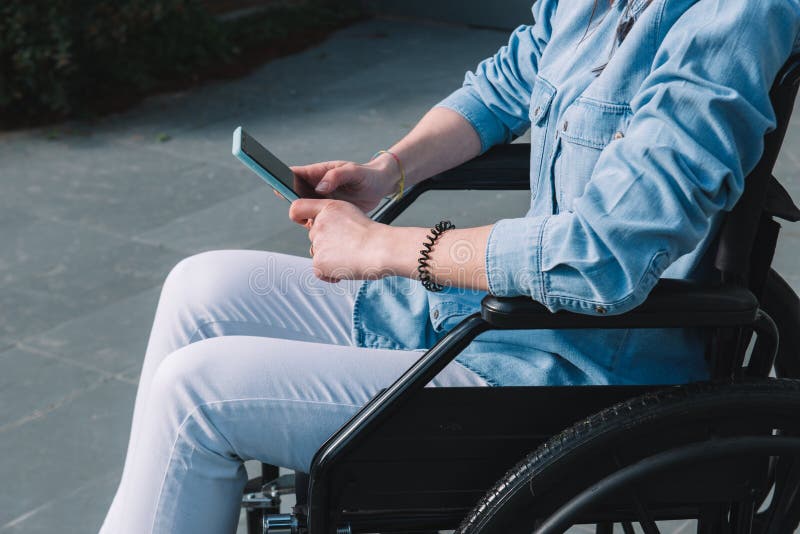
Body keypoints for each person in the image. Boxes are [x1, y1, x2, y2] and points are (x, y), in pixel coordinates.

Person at [100, 1, 800, 532]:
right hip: (500, 316)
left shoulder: (734, 18)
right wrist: (388, 173)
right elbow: (511, 79)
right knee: (200, 286)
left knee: (197, 396)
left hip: (580, 365)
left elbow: (602, 258)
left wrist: (382, 250)